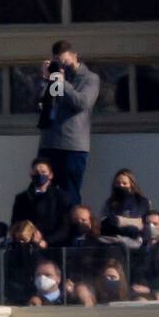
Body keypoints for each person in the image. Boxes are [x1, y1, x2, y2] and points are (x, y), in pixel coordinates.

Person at [36, 39, 100, 202]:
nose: (62, 65)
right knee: (44, 192)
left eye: (64, 61)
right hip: (49, 143)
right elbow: (47, 104)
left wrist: (61, 82)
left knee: (69, 194)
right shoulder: (55, 77)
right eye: (58, 62)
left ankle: (71, 226)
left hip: (72, 146)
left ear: (74, 56)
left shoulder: (90, 79)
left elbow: (82, 103)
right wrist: (46, 79)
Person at [10, 158, 73, 247]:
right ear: (31, 175)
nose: (40, 175)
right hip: (27, 247)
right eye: (36, 172)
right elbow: (15, 224)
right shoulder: (21, 198)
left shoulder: (61, 197)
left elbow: (65, 227)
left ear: (51, 175)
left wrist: (46, 241)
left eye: (43, 172)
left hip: (54, 248)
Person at [99, 169, 151, 243]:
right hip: (114, 241)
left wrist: (118, 220)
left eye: (124, 183)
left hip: (135, 241)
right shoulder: (109, 202)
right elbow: (106, 222)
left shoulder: (142, 202)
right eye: (118, 183)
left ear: (131, 184)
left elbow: (141, 223)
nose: (121, 186)